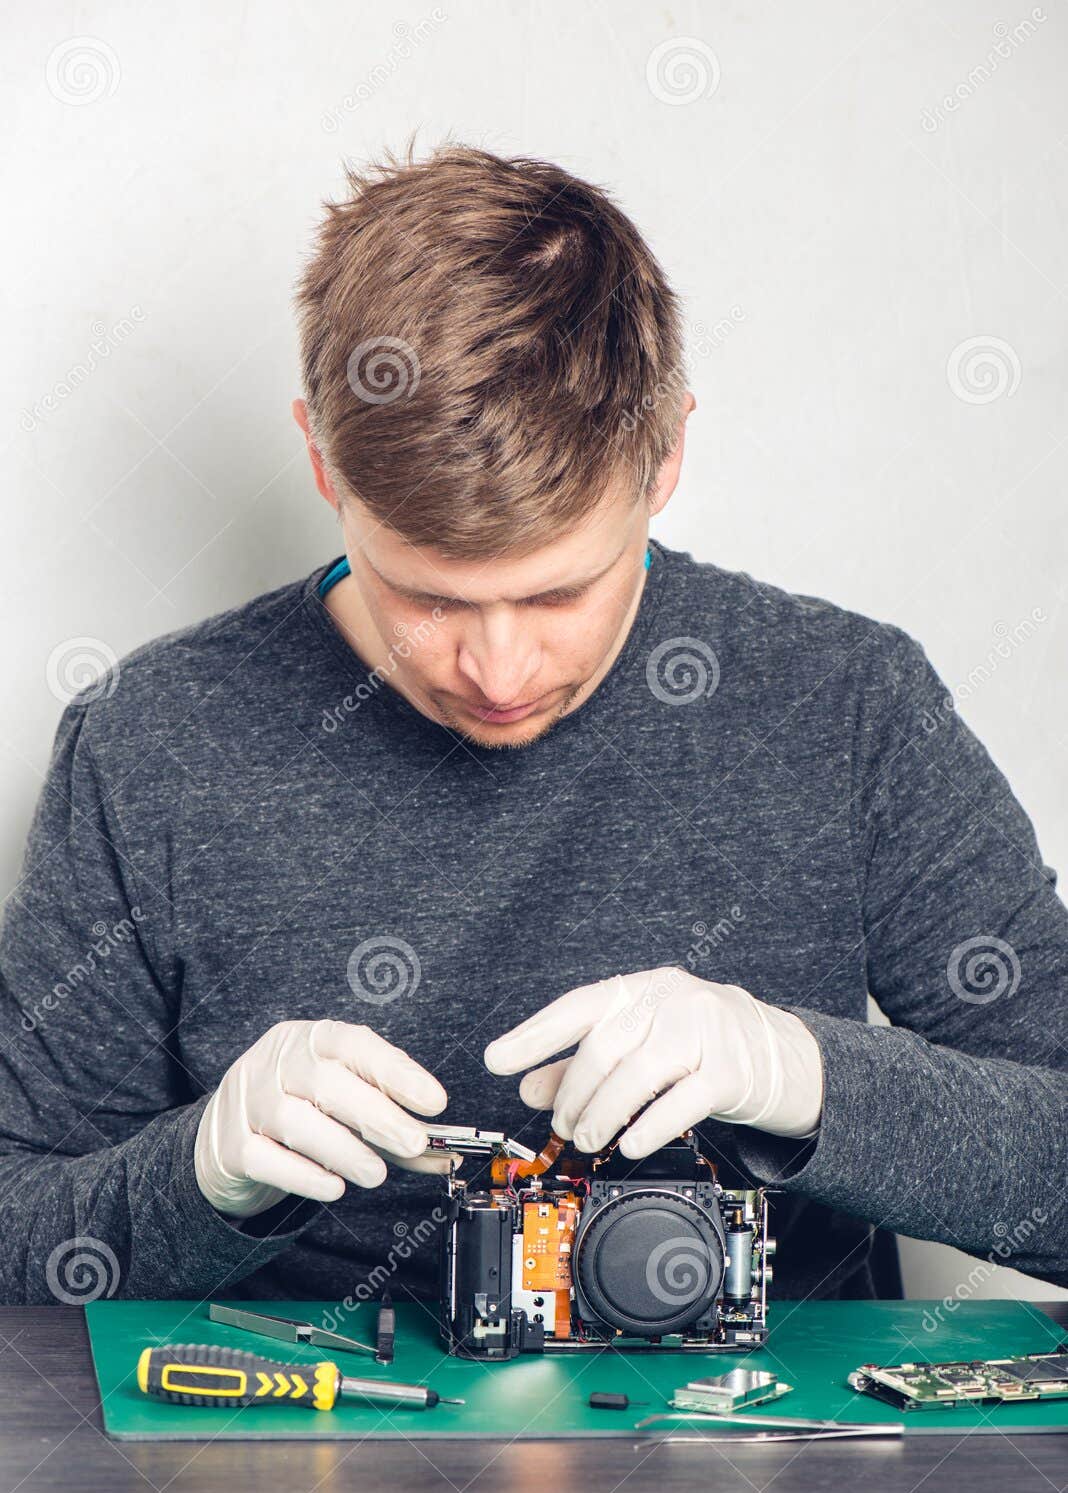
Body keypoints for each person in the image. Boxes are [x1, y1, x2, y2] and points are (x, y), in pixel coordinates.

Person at [1, 142, 1064, 1309]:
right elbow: (17, 1227)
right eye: (431, 598)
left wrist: (808, 1076)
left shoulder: (848, 705)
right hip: (297, 1460)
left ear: (664, 460)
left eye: (558, 593)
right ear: (320, 462)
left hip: (763, 1469)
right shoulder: (154, 742)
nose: (497, 669)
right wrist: (198, 1178)